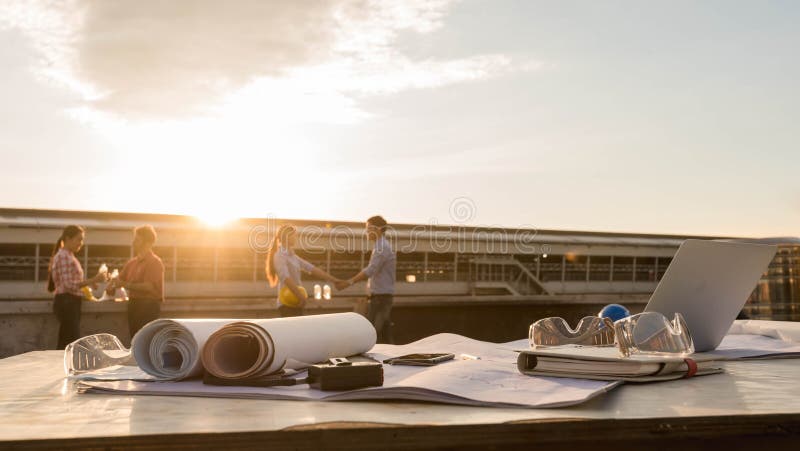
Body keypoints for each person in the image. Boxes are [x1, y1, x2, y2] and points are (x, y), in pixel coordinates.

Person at [335, 216, 396, 343]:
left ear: (377, 229)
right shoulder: (381, 245)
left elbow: (370, 270)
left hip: (380, 298)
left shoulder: (381, 247)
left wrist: (348, 282)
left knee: (373, 334)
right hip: (380, 297)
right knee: (381, 334)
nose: (366, 232)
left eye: (368, 228)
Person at [48, 225, 108, 349]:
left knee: (68, 339)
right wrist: (94, 279)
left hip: (68, 301)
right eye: (79, 239)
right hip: (67, 301)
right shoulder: (64, 256)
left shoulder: (67, 255)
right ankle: (62, 366)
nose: (81, 243)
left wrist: (89, 283)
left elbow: (71, 282)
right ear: (68, 238)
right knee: (69, 341)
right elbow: (68, 284)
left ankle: (62, 366)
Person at [265, 225, 341, 317]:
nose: (295, 238)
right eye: (294, 235)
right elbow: (285, 278)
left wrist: (334, 280)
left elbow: (312, 269)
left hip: (297, 302)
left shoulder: (293, 256)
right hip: (287, 303)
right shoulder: (279, 256)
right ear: (287, 237)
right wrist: (301, 297)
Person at [112, 225, 165, 337]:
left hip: (148, 306)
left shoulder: (154, 262)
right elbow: (118, 280)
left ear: (147, 243)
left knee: (145, 340)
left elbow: (148, 287)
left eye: (137, 240)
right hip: (134, 304)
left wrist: (124, 284)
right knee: (134, 340)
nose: (133, 243)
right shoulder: (132, 263)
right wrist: (111, 282)